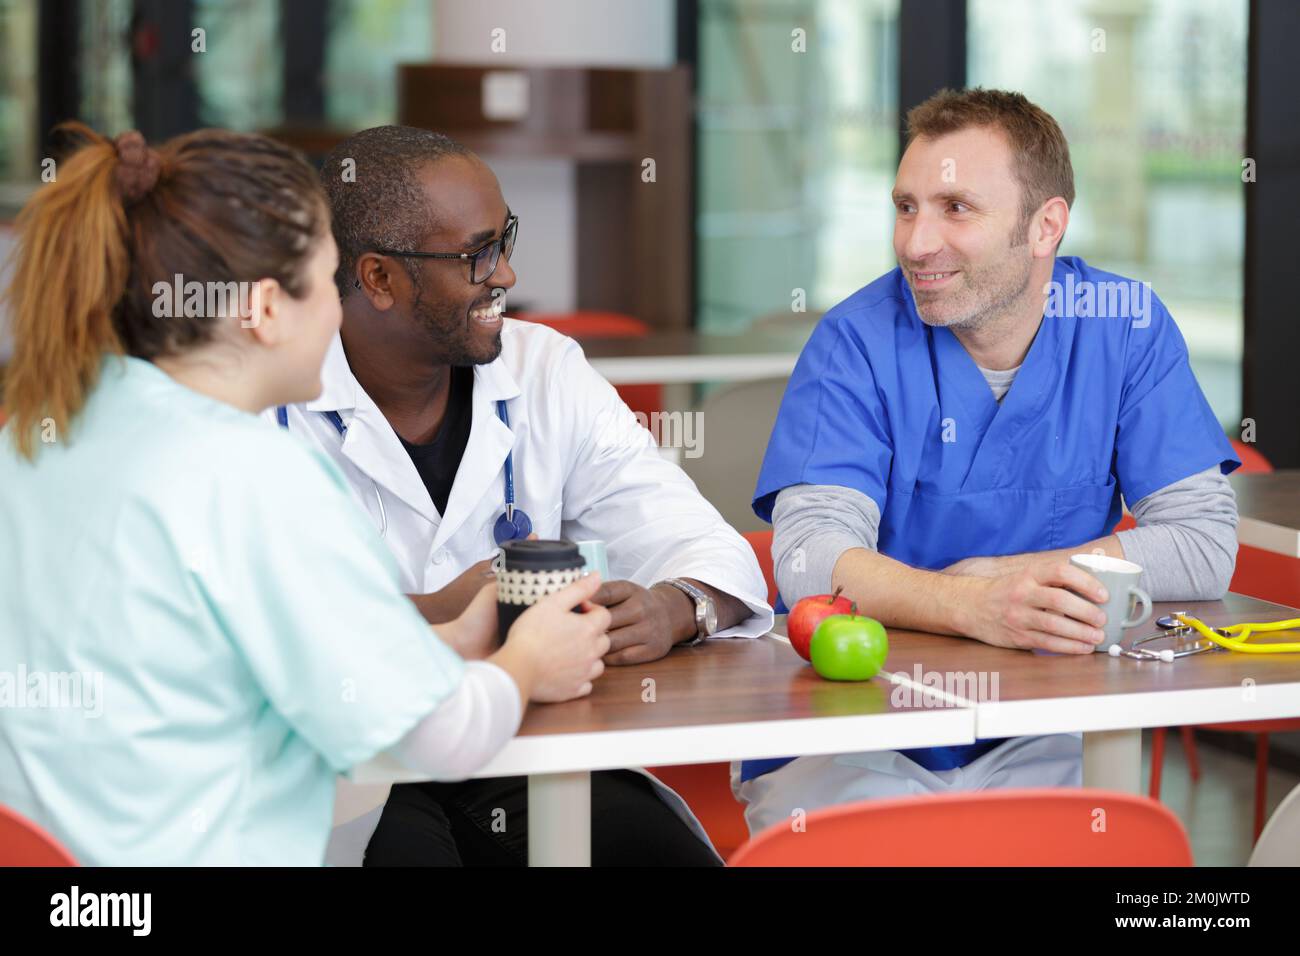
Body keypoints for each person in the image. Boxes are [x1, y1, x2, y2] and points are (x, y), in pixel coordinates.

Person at [0, 124, 610, 866]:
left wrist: (452, 641)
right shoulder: (251, 473)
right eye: (326, 282)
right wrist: (529, 663)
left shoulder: (39, 434)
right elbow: (443, 736)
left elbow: (216, 668)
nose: (339, 310)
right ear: (262, 309)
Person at [741, 88, 1240, 834]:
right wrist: (970, 604)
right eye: (906, 206)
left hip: (1044, 722)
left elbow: (1203, 545)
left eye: (955, 208)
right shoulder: (855, 343)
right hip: (852, 733)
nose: (915, 242)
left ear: (1046, 226)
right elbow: (811, 560)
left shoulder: (1124, 329)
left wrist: (1008, 579)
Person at [276, 125, 773, 865]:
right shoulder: (271, 401)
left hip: (524, 744)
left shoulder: (543, 370)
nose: (506, 273)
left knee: (655, 854)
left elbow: (705, 543)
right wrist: (452, 610)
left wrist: (677, 607)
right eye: (477, 254)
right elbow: (271, 633)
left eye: (504, 238)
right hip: (349, 762)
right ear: (378, 279)